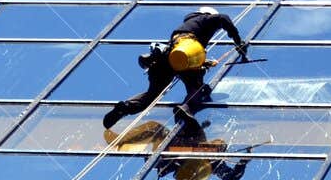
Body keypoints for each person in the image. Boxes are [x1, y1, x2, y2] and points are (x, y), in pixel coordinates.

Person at [102, 7, 249, 128]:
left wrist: (204, 62)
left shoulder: (186, 26)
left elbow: (180, 55)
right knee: (196, 87)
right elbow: (223, 18)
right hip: (185, 54)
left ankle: (126, 107)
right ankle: (185, 109)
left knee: (152, 94)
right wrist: (238, 42)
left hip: (168, 57)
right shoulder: (205, 19)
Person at [103, 107, 249, 180]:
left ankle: (121, 142)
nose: (214, 145)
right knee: (154, 127)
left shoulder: (214, 163)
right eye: (216, 144)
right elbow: (231, 179)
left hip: (167, 157)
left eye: (218, 146)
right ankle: (121, 142)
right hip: (169, 151)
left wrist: (243, 162)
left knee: (157, 128)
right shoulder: (203, 147)